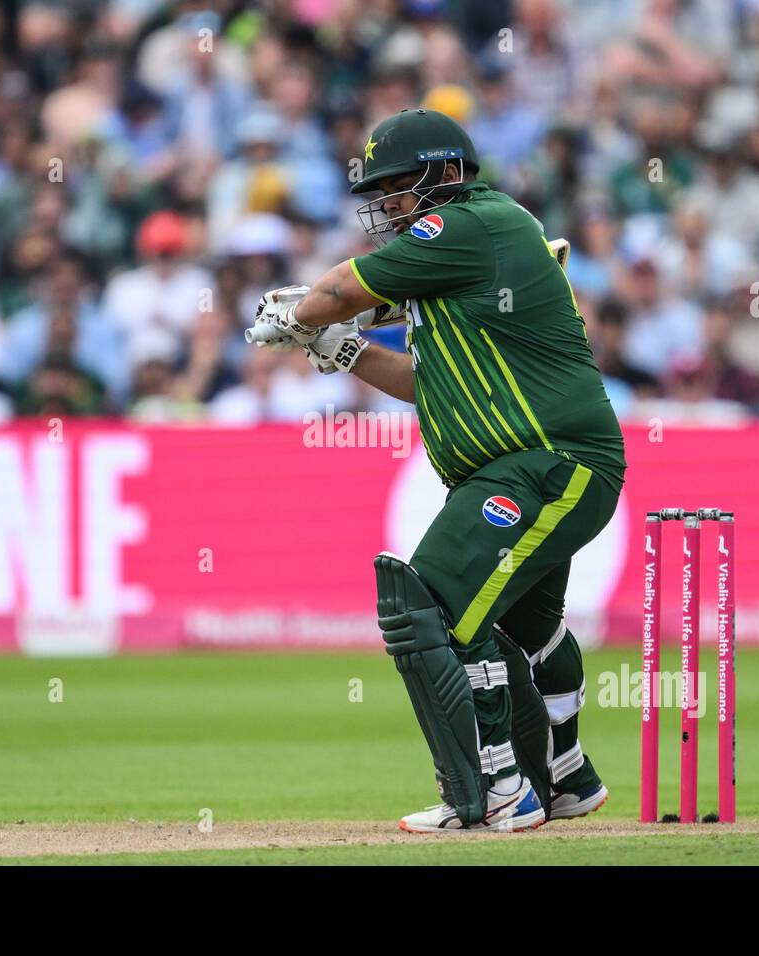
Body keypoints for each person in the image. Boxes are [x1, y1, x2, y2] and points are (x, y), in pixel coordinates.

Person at [251, 109, 625, 832]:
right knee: (525, 629)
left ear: (447, 173)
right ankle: (567, 778)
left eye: (399, 186)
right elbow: (430, 382)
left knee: (429, 603)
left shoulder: (467, 224)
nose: (389, 203)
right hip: (529, 467)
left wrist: (304, 313)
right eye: (379, 190)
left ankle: (497, 790)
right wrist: (343, 350)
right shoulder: (457, 269)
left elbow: (340, 291)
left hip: (545, 462)